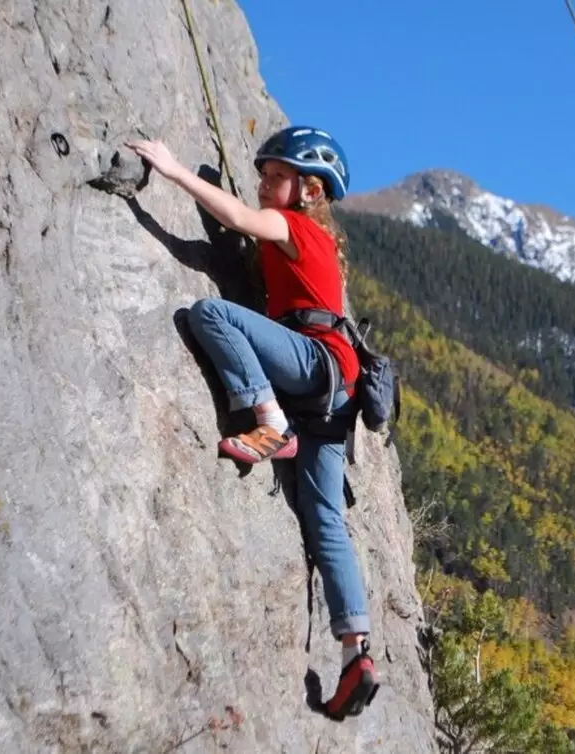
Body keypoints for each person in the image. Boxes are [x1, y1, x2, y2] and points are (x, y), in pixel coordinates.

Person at [127, 126, 379, 720]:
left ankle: (270, 424)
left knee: (212, 314)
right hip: (334, 392)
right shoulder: (308, 239)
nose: (265, 184)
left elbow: (238, 217)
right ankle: (355, 653)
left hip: (315, 367)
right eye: (264, 175)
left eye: (277, 177)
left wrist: (171, 171)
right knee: (325, 520)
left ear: (309, 190)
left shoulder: (295, 226)